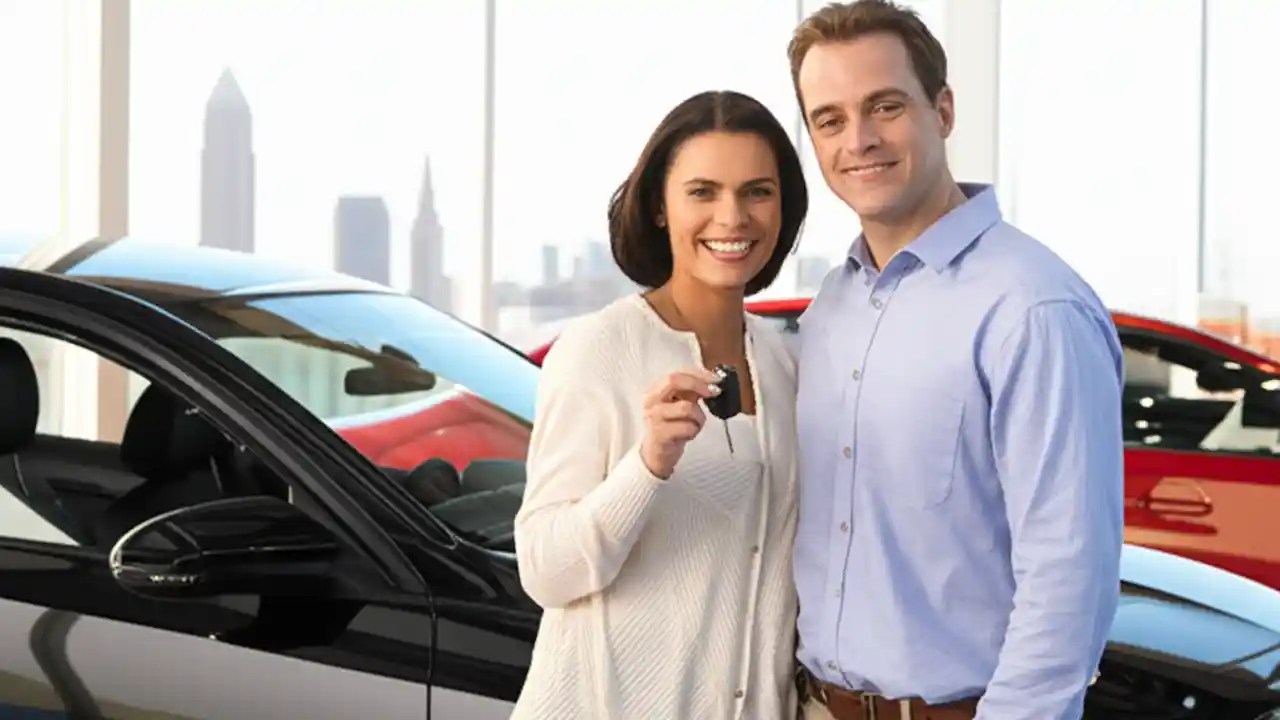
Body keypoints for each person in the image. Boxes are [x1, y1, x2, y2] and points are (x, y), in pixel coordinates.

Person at [786, 2, 1125, 719]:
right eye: (830, 119)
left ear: (942, 110)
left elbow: (1068, 579)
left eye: (885, 105)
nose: (860, 139)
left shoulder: (1033, 308)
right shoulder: (832, 308)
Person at [510, 89, 809, 720]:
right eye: (703, 191)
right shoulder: (599, 349)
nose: (733, 217)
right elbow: (545, 571)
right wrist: (646, 465)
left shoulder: (784, 366)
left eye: (757, 191)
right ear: (659, 208)